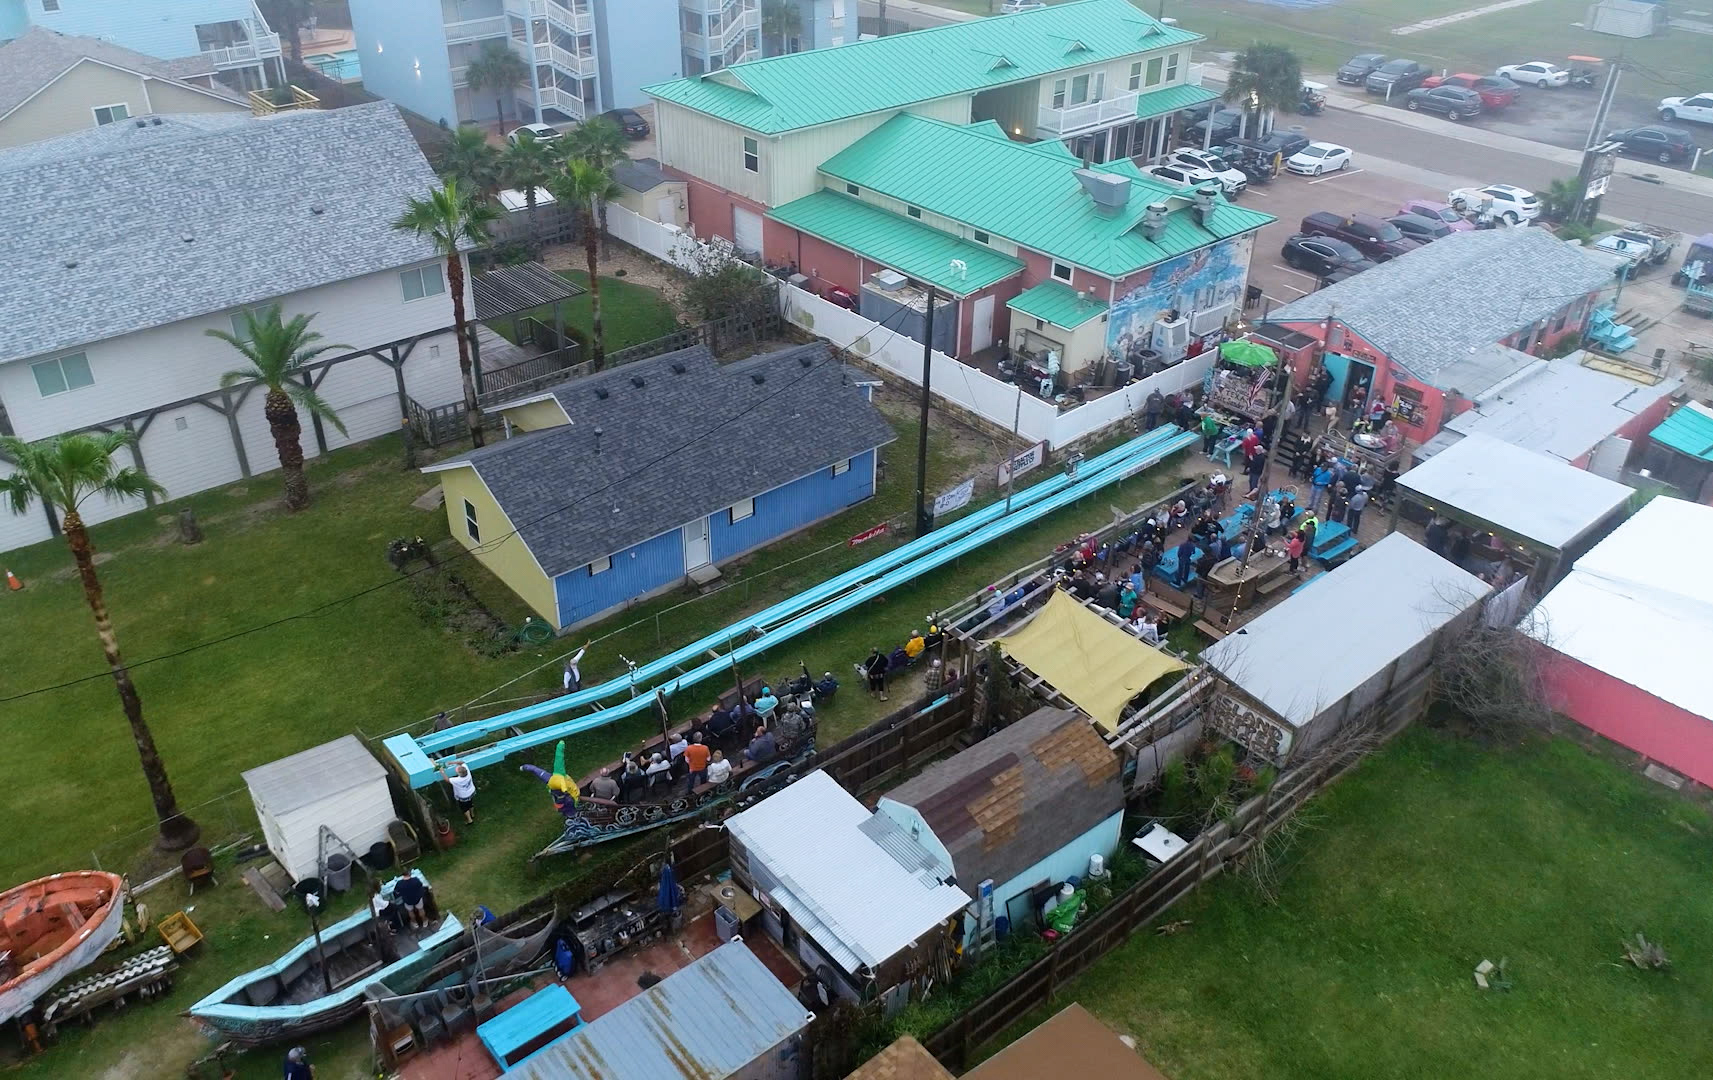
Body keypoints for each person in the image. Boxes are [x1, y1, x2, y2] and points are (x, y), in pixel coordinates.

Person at [435, 760, 476, 825]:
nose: (457, 768)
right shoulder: (467, 772)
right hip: (471, 792)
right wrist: (451, 762)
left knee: (464, 808)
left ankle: (469, 820)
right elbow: (462, 762)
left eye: (457, 769)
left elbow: (447, 779)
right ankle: (472, 814)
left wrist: (442, 771)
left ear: (459, 774)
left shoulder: (457, 780)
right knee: (470, 803)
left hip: (463, 796)